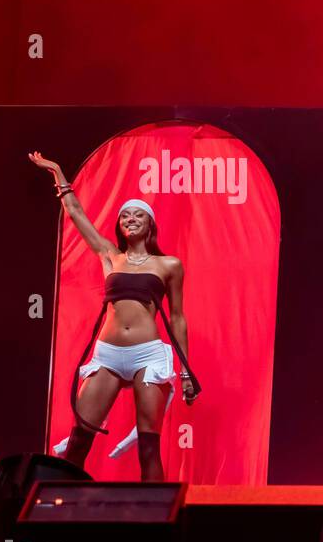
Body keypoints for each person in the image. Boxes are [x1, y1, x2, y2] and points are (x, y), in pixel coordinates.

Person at [30, 151, 199, 481]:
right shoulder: (110, 255)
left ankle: (156, 525)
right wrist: (58, 171)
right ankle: (66, 514)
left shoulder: (169, 265)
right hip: (108, 355)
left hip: (148, 355)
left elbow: (177, 318)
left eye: (138, 215)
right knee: (80, 438)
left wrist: (186, 372)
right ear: (120, 225)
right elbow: (76, 213)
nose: (131, 219)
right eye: (125, 216)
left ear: (150, 223)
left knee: (148, 446)